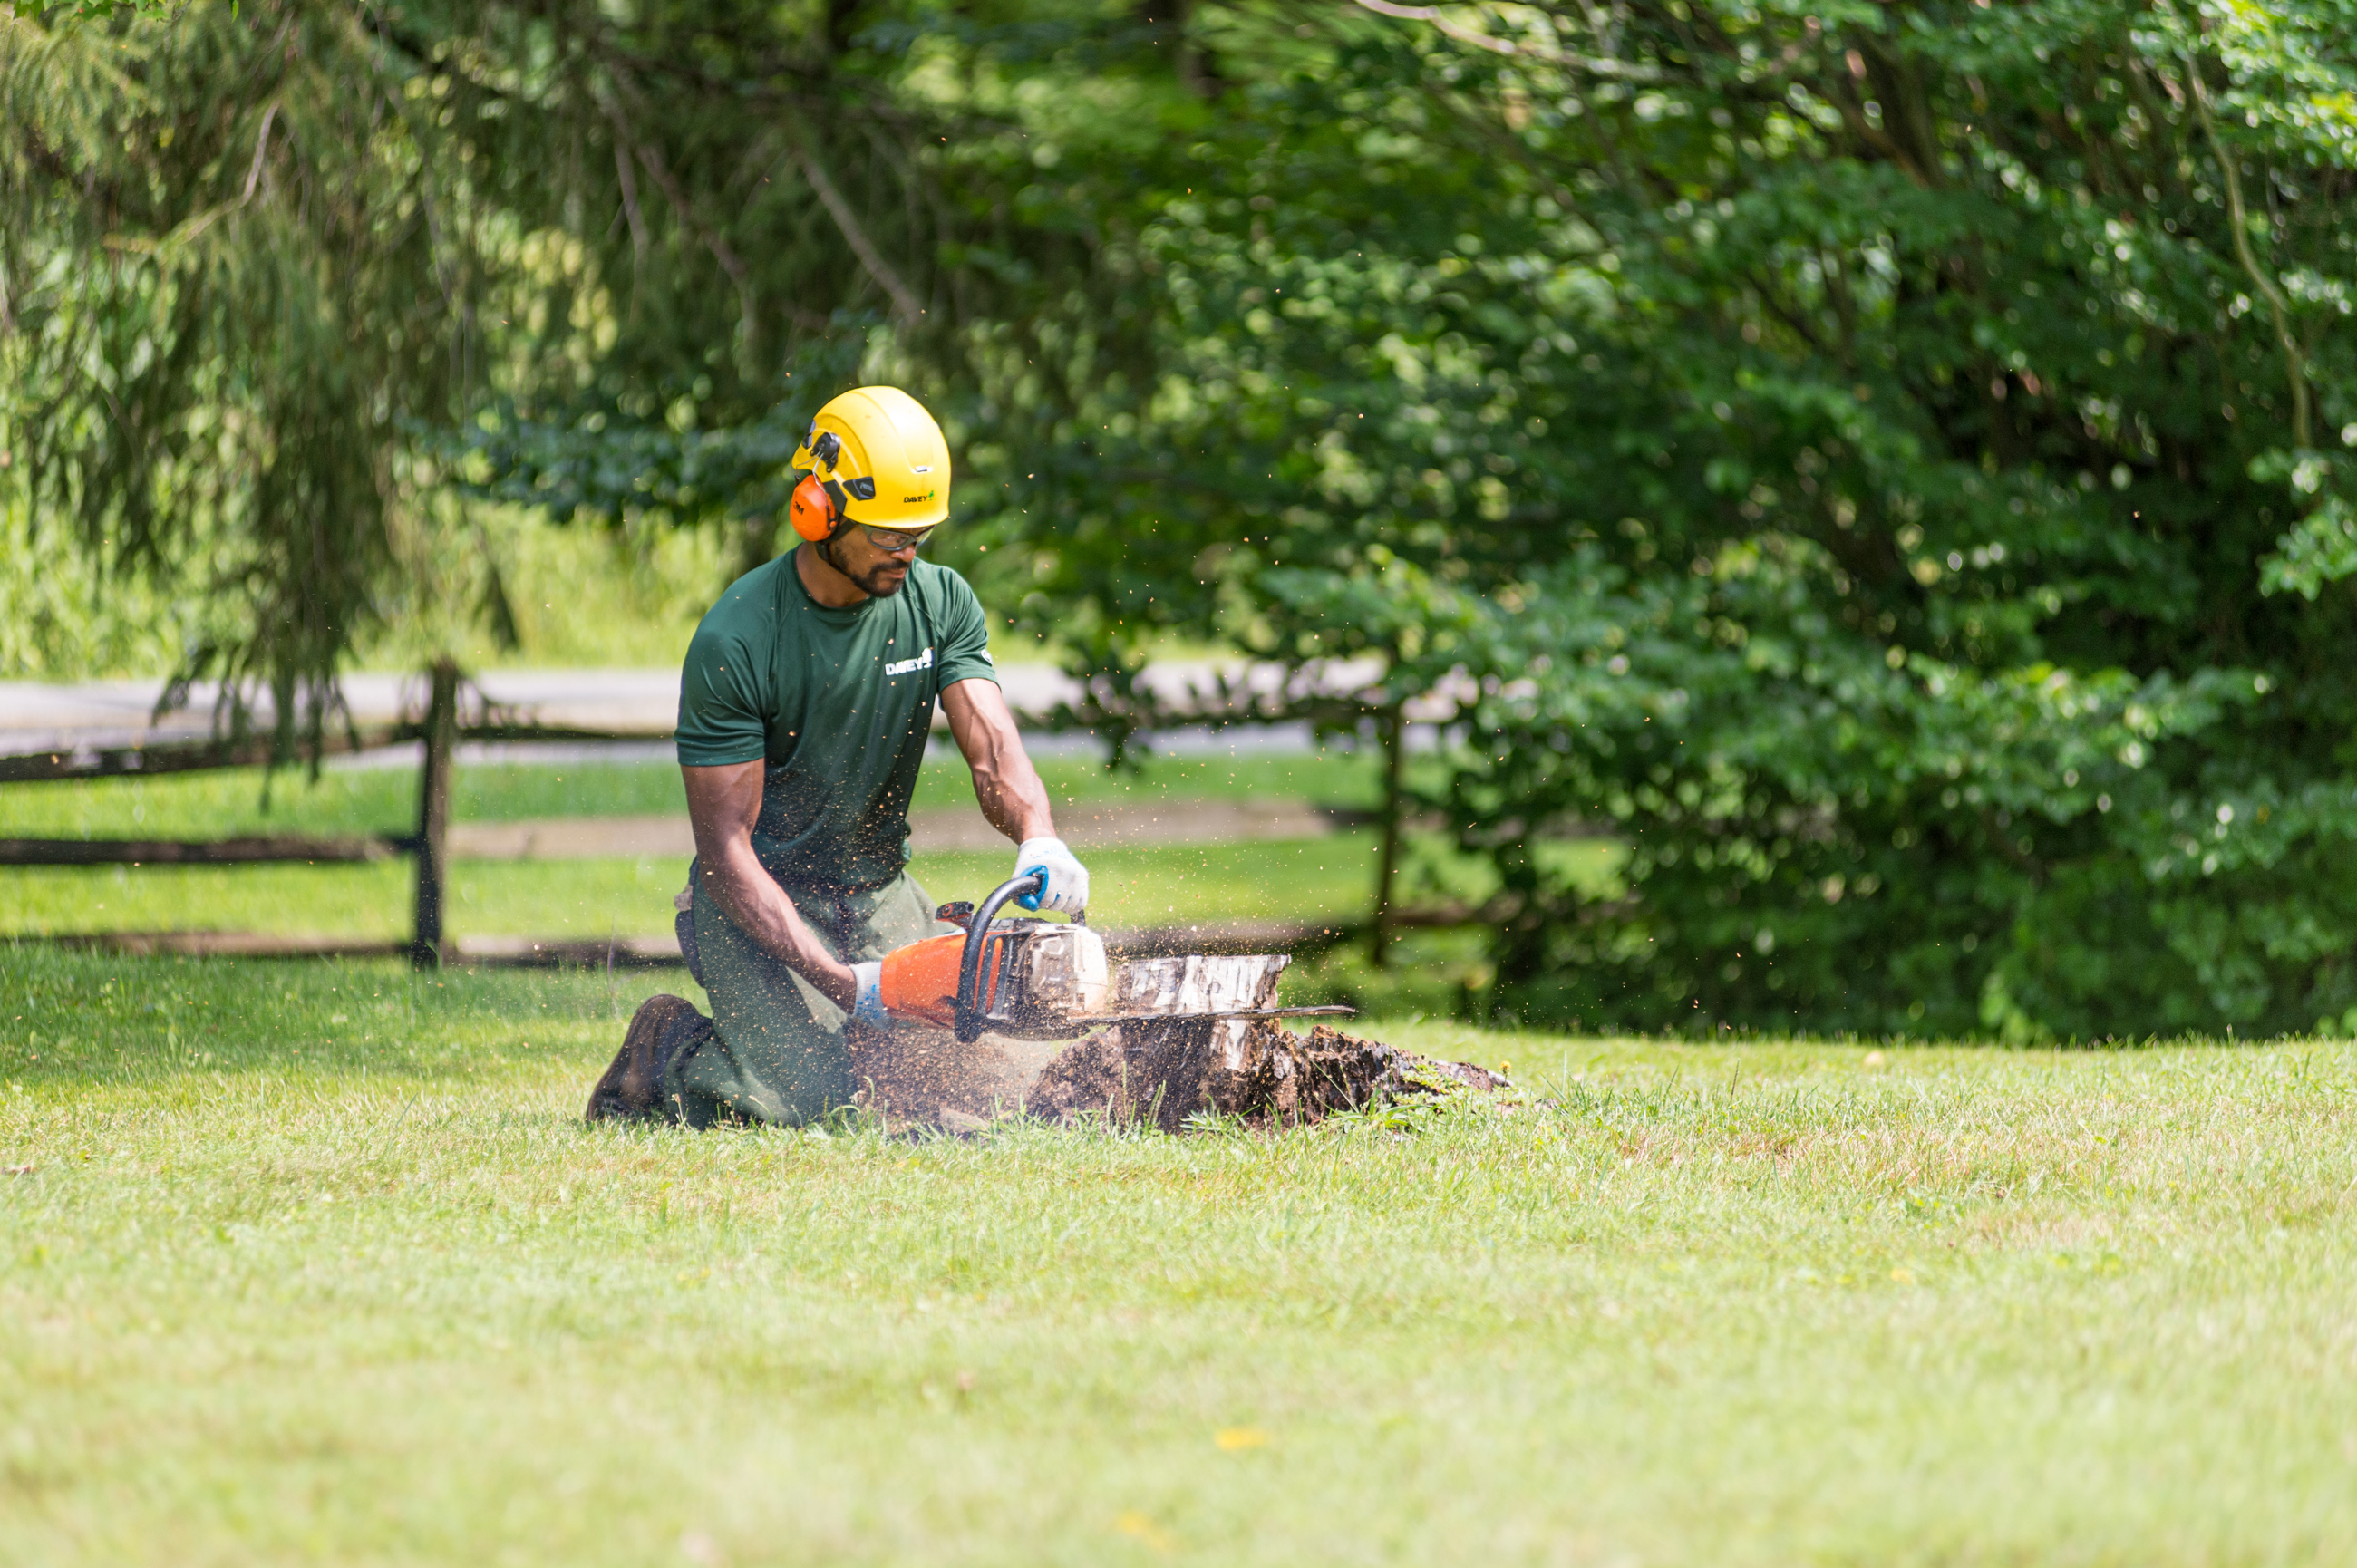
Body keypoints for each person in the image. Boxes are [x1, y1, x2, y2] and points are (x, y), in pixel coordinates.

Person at [587, 385, 1088, 1127]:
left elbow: (991, 747)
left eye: (919, 534)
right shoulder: (740, 638)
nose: (906, 553)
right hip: (758, 902)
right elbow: (726, 856)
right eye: (887, 535)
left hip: (878, 894)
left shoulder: (940, 602)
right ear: (819, 510)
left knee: (970, 1079)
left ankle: (846, 1040)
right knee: (810, 1103)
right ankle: (668, 1047)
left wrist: (1038, 835)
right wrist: (847, 986)